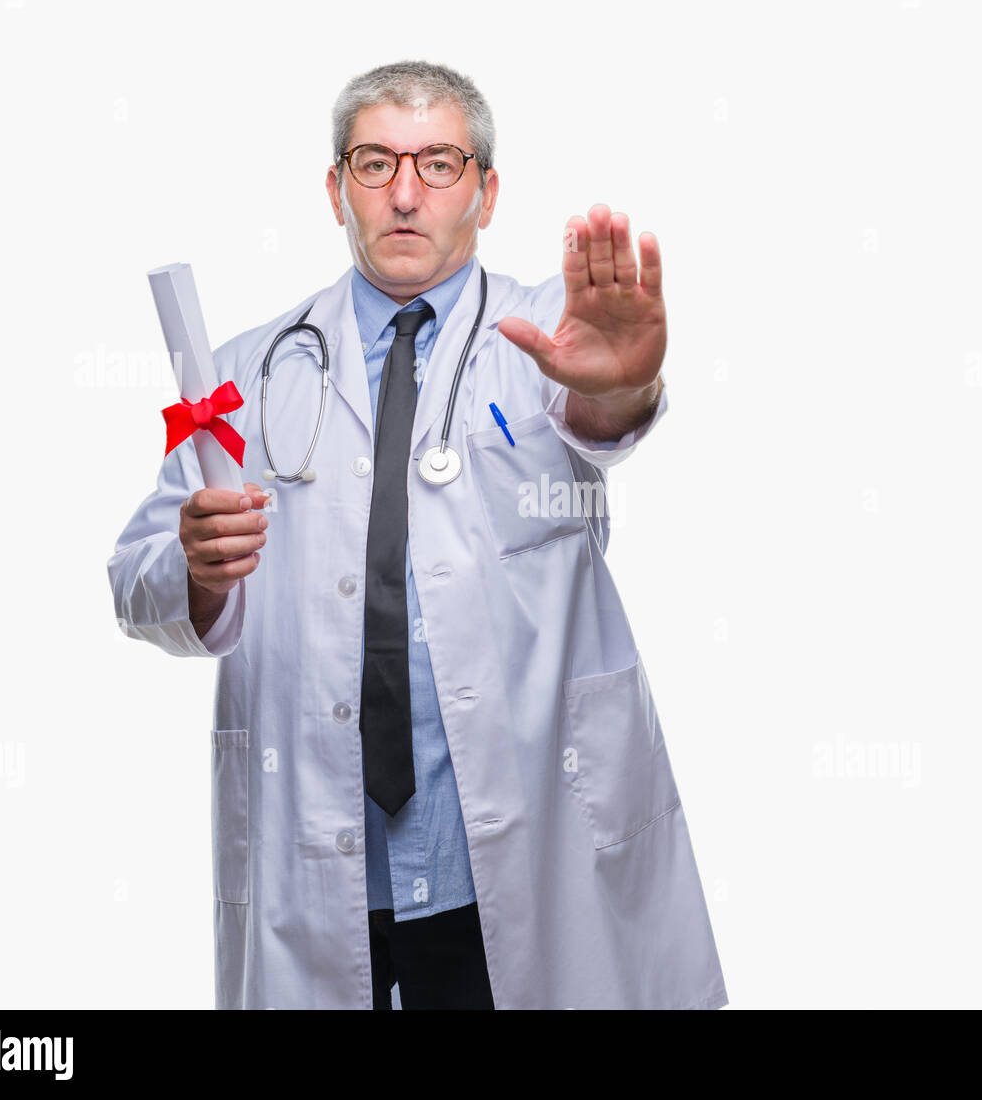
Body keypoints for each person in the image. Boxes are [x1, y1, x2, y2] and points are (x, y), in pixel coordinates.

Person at [109, 60, 726, 1010]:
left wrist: (622, 384)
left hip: (518, 857)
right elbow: (134, 575)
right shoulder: (245, 373)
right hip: (328, 870)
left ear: (485, 191)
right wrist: (197, 569)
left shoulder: (546, 339)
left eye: (439, 163)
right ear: (333, 189)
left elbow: (604, 420)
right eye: (374, 163)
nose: (404, 193)